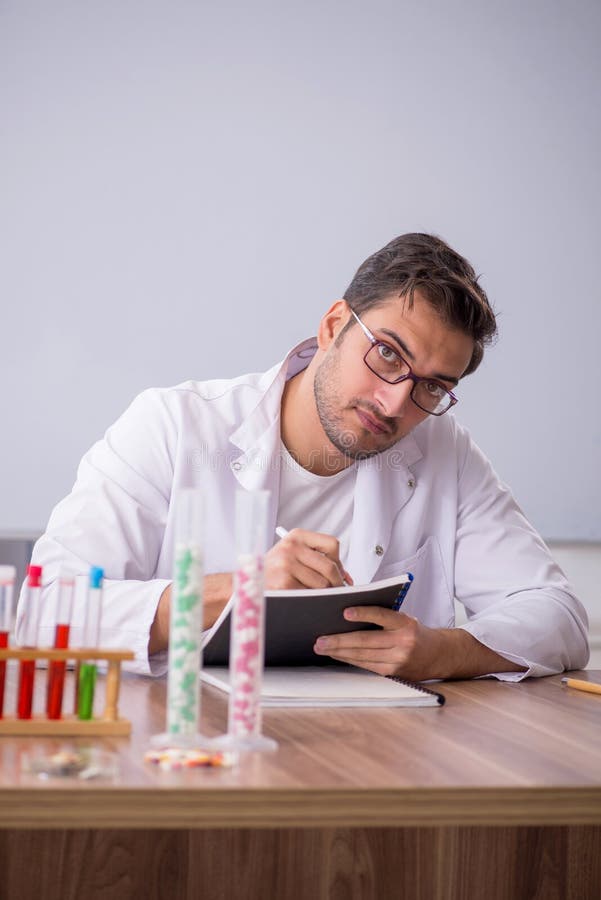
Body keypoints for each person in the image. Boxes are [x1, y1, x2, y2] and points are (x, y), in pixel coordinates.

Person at [19, 233, 589, 681]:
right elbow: (44, 617)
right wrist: (238, 590)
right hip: (185, 759)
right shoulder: (174, 426)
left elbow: (558, 617)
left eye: (432, 387)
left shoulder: (445, 451)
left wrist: (443, 650)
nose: (396, 401)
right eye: (388, 354)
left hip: (376, 761)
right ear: (334, 325)